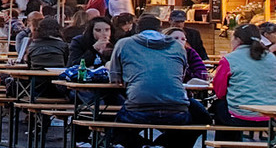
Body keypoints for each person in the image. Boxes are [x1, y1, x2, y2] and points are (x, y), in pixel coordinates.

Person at [109, 14, 197, 148]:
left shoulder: (124, 44)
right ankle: (162, 145)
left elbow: (114, 79)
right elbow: (180, 76)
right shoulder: (177, 46)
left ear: (136, 28)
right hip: (176, 109)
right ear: (160, 29)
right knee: (196, 121)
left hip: (138, 108)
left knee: (116, 130)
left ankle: (144, 145)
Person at [213, 24, 276, 134]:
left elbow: (219, 91)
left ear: (237, 39)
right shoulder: (271, 57)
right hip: (270, 115)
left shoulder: (229, 59)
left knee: (219, 106)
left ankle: (226, 144)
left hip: (240, 116)